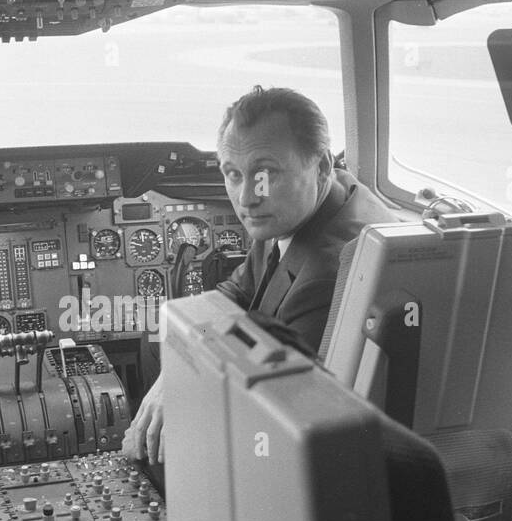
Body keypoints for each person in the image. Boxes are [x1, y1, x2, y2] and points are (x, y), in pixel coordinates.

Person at [123, 86, 401, 464]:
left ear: (320, 166)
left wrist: (180, 386)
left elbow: (271, 410)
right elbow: (234, 292)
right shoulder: (310, 205)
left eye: (266, 172)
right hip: (279, 397)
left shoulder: (328, 273)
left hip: (290, 446)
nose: (246, 197)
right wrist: (171, 376)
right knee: (159, 336)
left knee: (150, 446)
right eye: (233, 174)